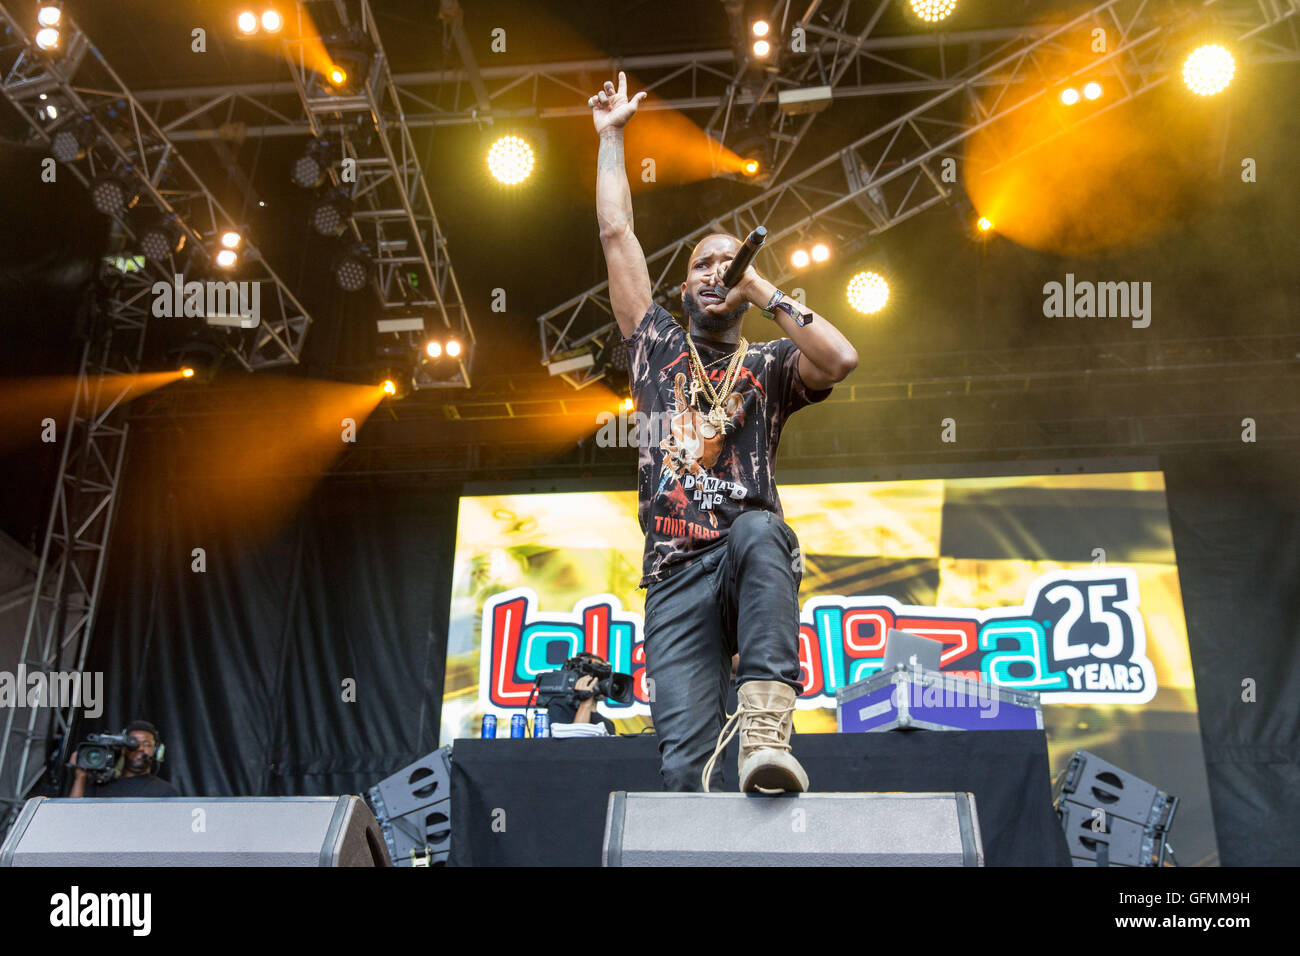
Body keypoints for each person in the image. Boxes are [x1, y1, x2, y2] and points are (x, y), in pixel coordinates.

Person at [589, 73, 858, 793]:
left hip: (744, 556)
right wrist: (613, 137)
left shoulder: (769, 363)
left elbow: (841, 358)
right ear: (683, 289)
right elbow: (617, 233)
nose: (716, 271)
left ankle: (767, 731)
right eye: (702, 264)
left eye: (727, 261)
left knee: (763, 530)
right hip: (674, 572)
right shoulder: (657, 346)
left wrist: (763, 287)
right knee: (682, 768)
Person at [68, 720, 179, 798]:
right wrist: (80, 777)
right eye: (134, 743)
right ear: (123, 749)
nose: (140, 748)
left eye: (147, 744)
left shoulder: (166, 792)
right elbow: (73, 817)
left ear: (156, 751)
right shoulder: (99, 786)